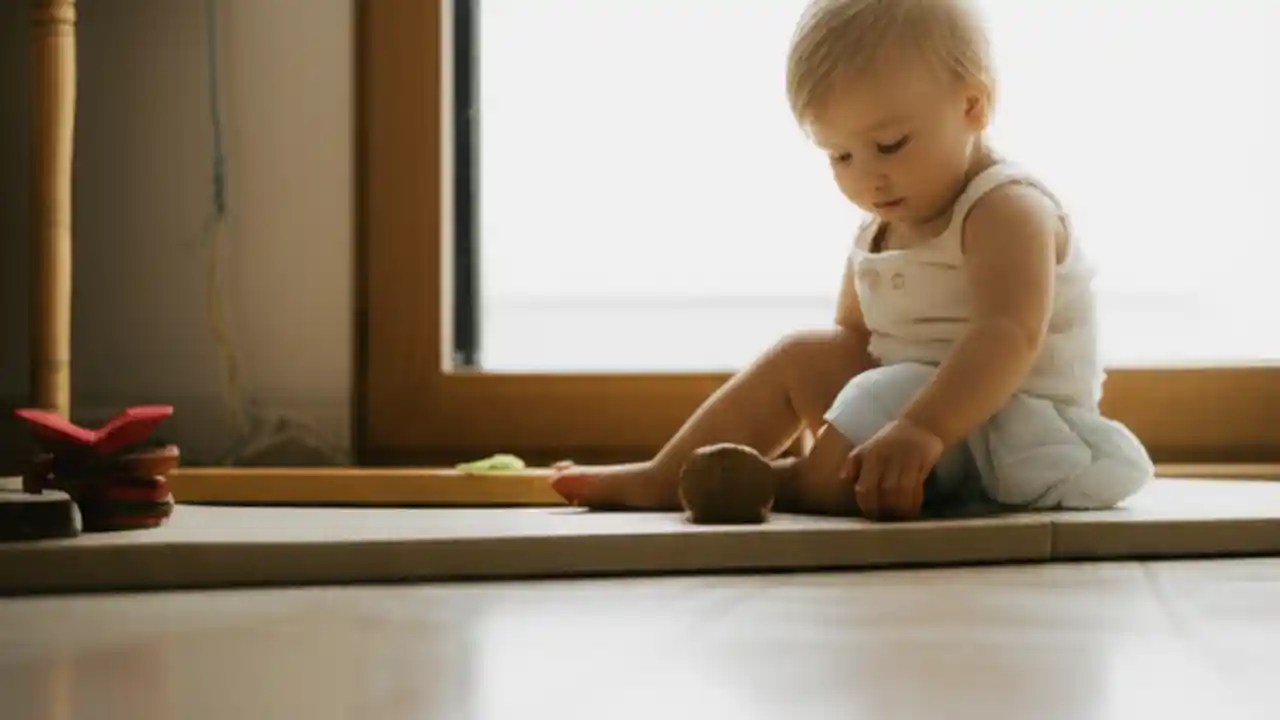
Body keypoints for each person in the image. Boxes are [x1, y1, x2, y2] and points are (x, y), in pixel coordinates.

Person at [550, 0, 1153, 521]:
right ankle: (668, 474)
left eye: (889, 145)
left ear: (973, 105)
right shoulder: (883, 226)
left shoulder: (1005, 209)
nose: (868, 177)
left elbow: (1009, 333)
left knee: (888, 390)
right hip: (900, 409)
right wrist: (824, 406)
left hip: (1008, 428)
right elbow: (854, 339)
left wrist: (922, 427)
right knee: (801, 355)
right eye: (840, 156)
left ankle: (786, 485)